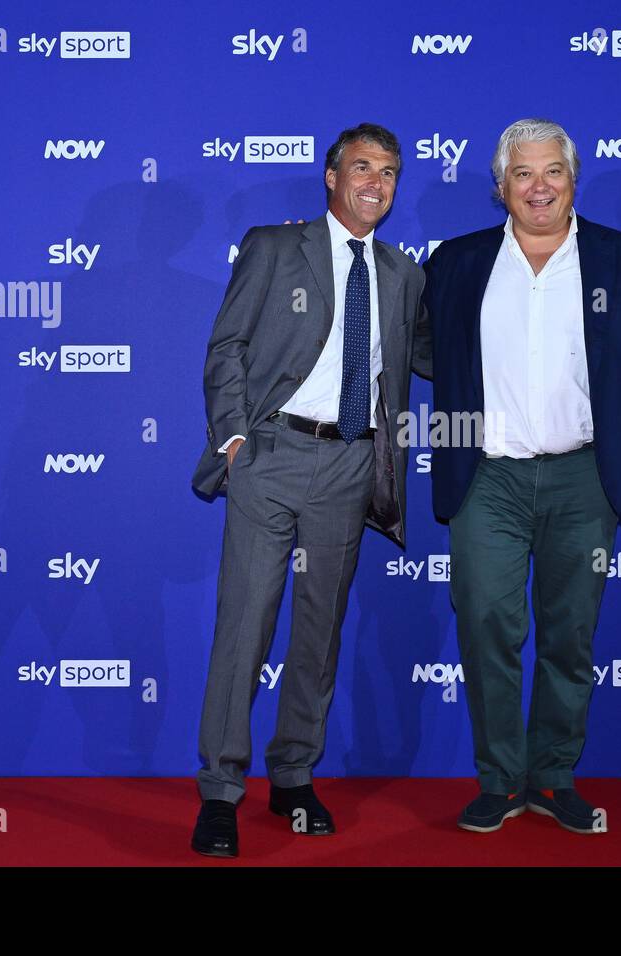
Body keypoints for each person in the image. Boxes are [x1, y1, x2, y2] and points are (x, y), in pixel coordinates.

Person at [421, 118, 621, 834]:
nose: (539, 188)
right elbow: (422, 352)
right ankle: (500, 781)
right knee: (486, 628)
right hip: (486, 478)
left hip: (584, 477)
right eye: (523, 175)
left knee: (571, 633)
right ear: (499, 187)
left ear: (573, 181)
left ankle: (553, 777)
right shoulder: (456, 261)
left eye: (553, 173)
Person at [189, 123, 431, 857]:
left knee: (319, 629)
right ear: (331, 176)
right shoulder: (271, 246)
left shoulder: (401, 272)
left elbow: (429, 353)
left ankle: (293, 773)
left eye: (388, 172)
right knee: (246, 624)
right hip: (271, 457)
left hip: (351, 465)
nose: (375, 184)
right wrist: (233, 438)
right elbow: (226, 344)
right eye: (362, 168)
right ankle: (220, 790)